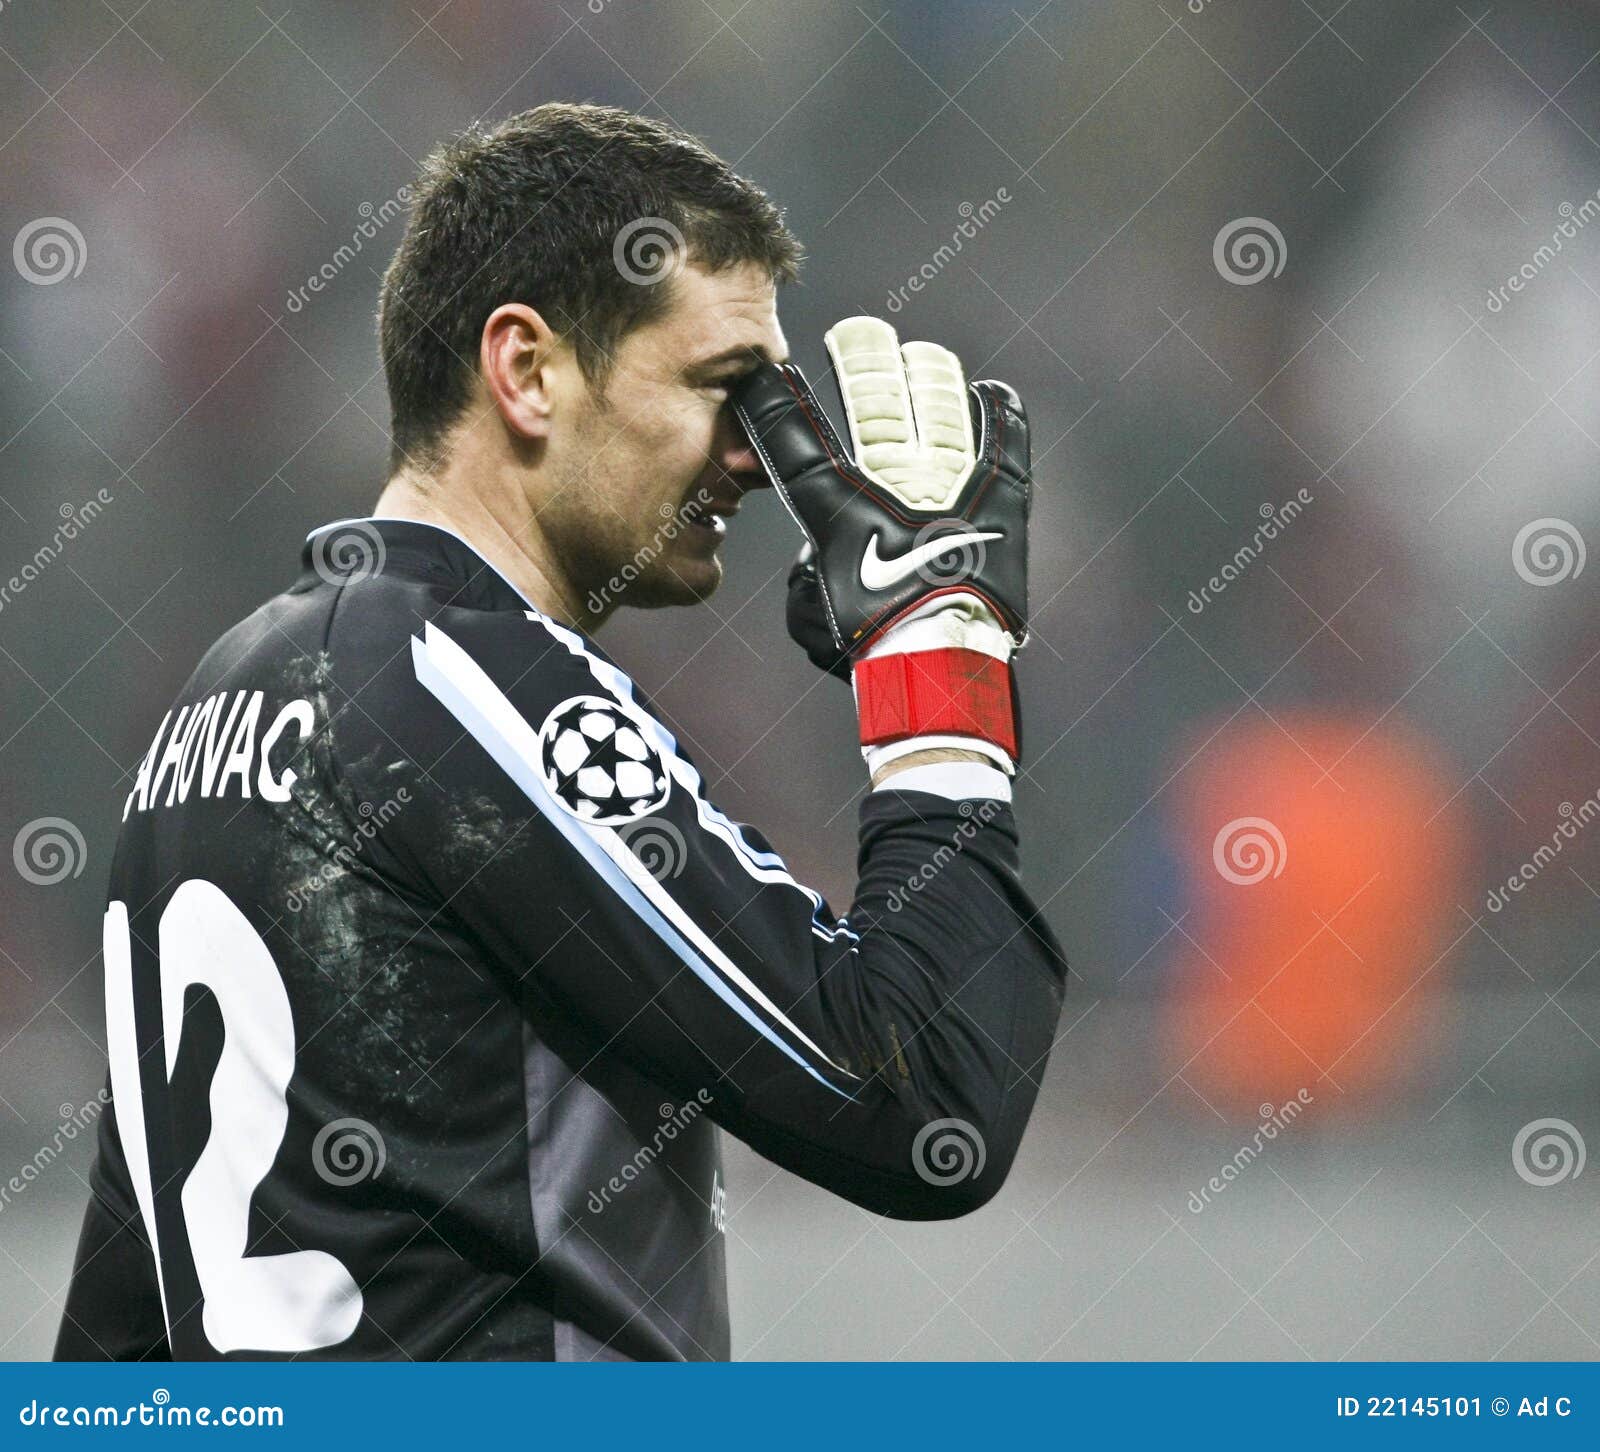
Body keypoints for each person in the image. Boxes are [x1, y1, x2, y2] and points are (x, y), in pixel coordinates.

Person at [54, 102, 1067, 1362]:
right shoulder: (466, 684)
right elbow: (919, 1097)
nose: (759, 456)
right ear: (526, 371)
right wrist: (937, 667)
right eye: (719, 387)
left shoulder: (224, 695)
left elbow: (119, 1311)